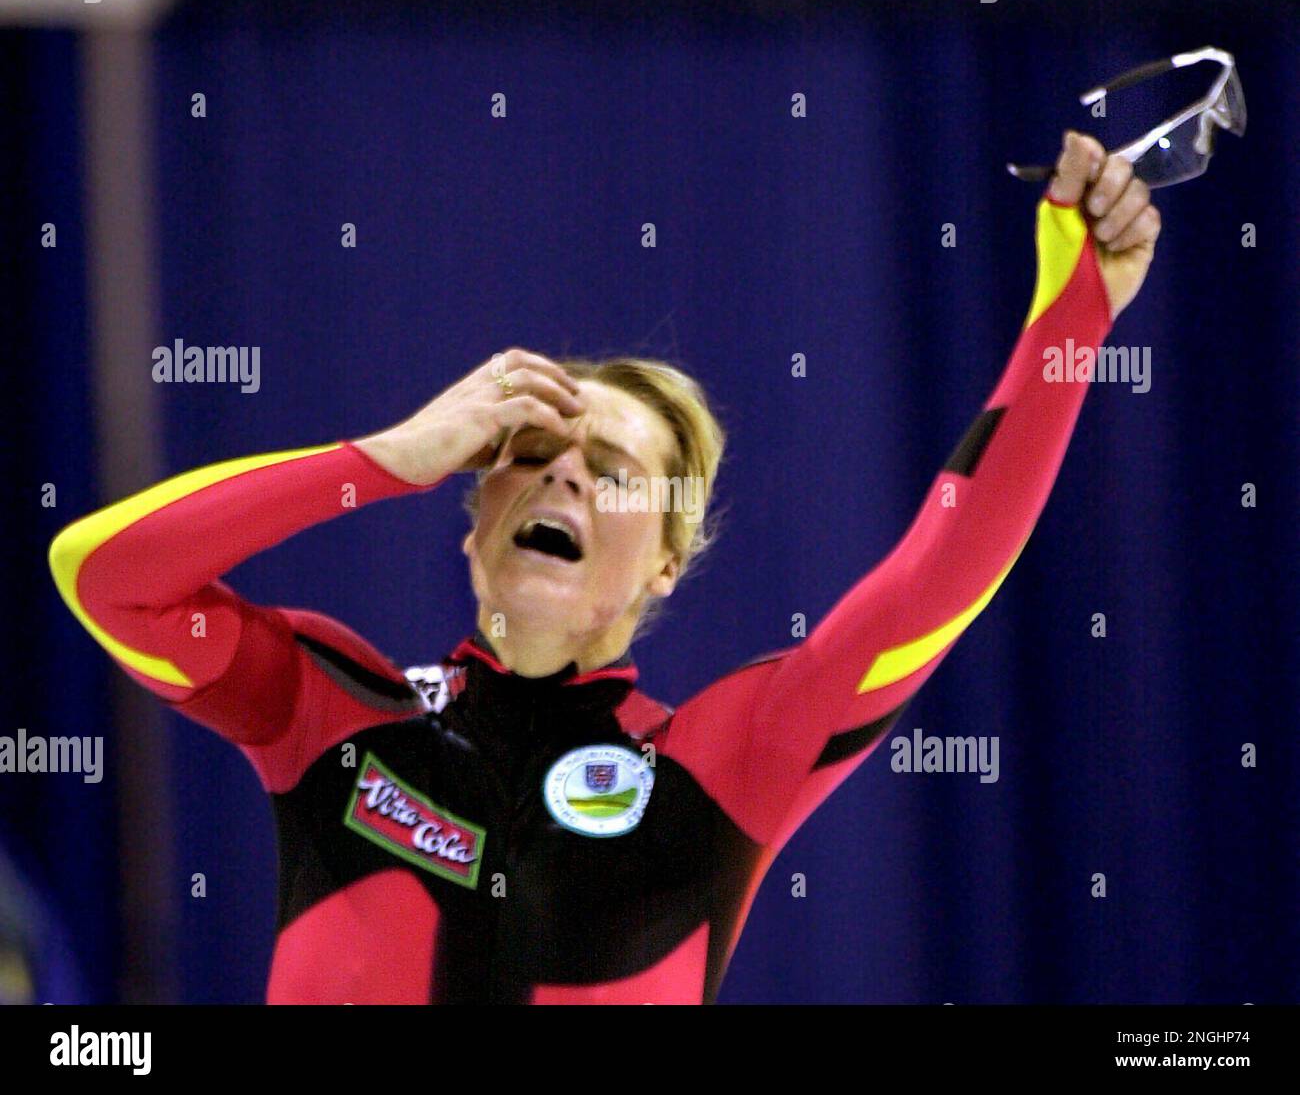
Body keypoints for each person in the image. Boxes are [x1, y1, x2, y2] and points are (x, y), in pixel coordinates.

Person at [48, 131, 1160, 1004]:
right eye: (529, 455)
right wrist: (380, 462)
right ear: (472, 519)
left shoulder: (730, 759)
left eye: (615, 472)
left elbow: (939, 579)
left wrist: (1075, 306)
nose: (564, 480)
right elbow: (102, 574)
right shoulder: (327, 708)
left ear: (665, 566)